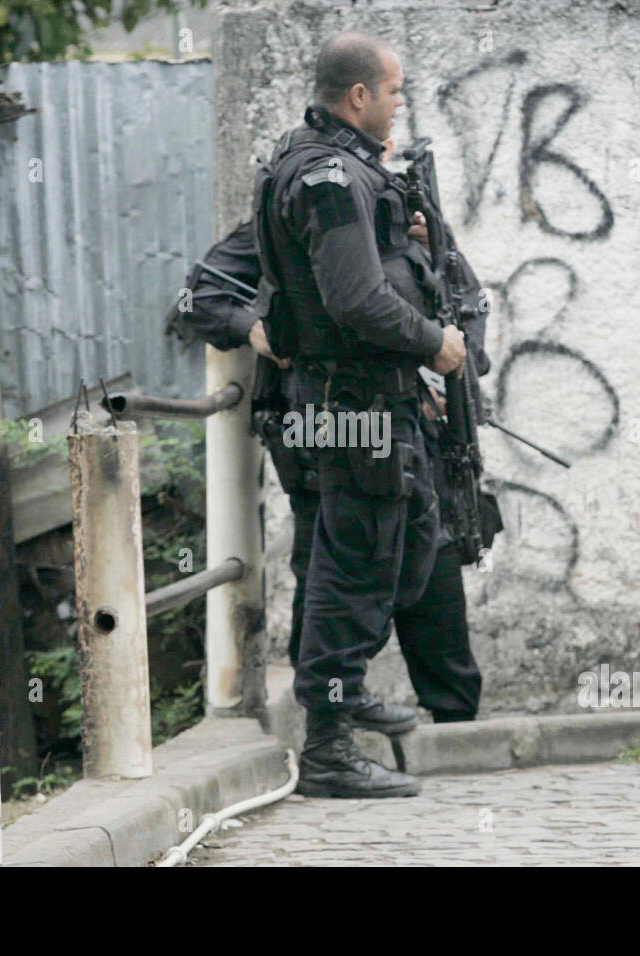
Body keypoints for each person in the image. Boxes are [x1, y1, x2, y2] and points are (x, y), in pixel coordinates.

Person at [253, 31, 470, 797]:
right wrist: (433, 343)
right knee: (354, 567)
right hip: (354, 406)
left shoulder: (323, 162)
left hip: (363, 405)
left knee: (396, 550)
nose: (399, 102)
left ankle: (340, 684)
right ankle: (330, 749)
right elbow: (353, 300)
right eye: (394, 90)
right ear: (358, 97)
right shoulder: (331, 176)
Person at [167, 211, 486, 726]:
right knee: (331, 570)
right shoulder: (297, 220)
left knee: (433, 567)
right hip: (333, 436)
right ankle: (326, 724)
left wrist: (449, 376)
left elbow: (466, 306)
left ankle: (452, 729)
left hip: (418, 433)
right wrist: (253, 329)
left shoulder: (409, 221)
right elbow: (197, 300)